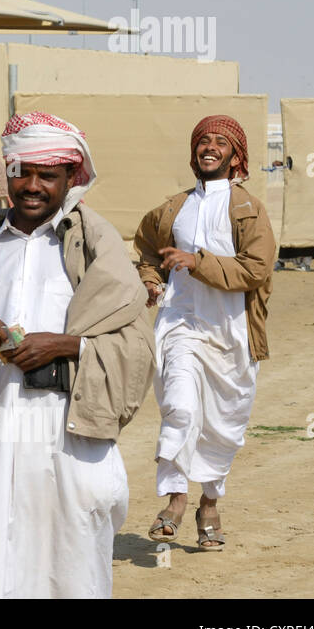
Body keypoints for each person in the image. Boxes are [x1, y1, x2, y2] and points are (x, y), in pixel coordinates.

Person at [0, 112, 154, 598]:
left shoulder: (95, 248)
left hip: (69, 438)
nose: (31, 185)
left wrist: (67, 345)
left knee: (73, 564)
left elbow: (136, 349)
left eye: (47, 175)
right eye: (21, 171)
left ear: (72, 178)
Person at [135, 115, 275, 551]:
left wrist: (198, 262)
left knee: (223, 424)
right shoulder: (174, 208)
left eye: (220, 142)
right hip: (179, 323)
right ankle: (176, 499)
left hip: (231, 332)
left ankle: (208, 504)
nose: (209, 147)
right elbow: (147, 249)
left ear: (236, 156)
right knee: (178, 405)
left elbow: (257, 269)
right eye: (203, 141)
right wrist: (152, 279)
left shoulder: (247, 209)